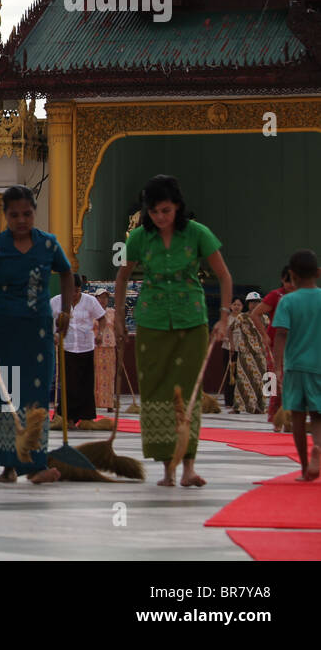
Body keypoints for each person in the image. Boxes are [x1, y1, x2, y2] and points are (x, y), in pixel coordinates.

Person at [113, 174, 232, 487]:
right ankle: (167, 469)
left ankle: (188, 467)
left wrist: (224, 317)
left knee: (187, 393)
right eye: (154, 212)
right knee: (156, 392)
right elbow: (122, 277)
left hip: (191, 322)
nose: (160, 217)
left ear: (178, 207)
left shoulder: (197, 234)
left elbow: (225, 277)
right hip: (151, 321)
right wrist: (118, 318)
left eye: (166, 210)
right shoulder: (138, 237)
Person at [0, 185, 72, 484]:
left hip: (37, 331)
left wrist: (67, 311)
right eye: (14, 215)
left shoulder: (48, 245)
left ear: (35, 212)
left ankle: (34, 464)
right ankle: (7, 466)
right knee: (2, 395)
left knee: (35, 396)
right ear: (5, 216)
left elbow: (66, 274)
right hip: (1, 332)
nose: (21, 220)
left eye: (27, 214)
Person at [270, 249, 321, 481]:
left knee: (298, 418)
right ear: (318, 273)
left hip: (295, 367)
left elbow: (280, 334)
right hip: (319, 366)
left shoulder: (287, 301)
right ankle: (318, 448)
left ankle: (303, 468)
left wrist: (278, 367)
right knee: (318, 416)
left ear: (291, 274)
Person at [50, 275, 106, 425]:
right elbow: (46, 320)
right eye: (71, 291)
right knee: (68, 385)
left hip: (86, 347)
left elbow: (102, 318)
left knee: (85, 384)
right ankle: (67, 418)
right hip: (66, 348)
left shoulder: (90, 301)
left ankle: (86, 418)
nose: (74, 294)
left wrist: (99, 334)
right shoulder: (55, 302)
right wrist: (53, 335)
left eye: (77, 291)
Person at [251, 267, 295, 423]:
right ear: (282, 279)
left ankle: (288, 417)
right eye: (288, 280)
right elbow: (255, 314)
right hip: (275, 344)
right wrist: (264, 335)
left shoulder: (299, 296)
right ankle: (274, 417)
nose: (291, 284)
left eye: (294, 279)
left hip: (295, 345)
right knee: (276, 381)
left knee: (291, 383)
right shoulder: (276, 295)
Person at [230, 293, 268, 414]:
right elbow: (229, 329)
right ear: (248, 304)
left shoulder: (265, 318)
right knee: (242, 380)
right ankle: (238, 407)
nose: (255, 304)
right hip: (245, 353)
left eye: (257, 302)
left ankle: (260, 406)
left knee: (260, 380)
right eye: (252, 302)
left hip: (260, 353)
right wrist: (232, 345)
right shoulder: (242, 317)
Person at [94, 290, 118, 411]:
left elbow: (116, 327)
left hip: (109, 347)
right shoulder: (92, 313)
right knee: (95, 375)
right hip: (96, 347)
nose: (103, 300)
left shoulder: (111, 312)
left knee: (109, 375)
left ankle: (109, 403)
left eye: (105, 297)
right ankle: (94, 402)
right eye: (101, 297)